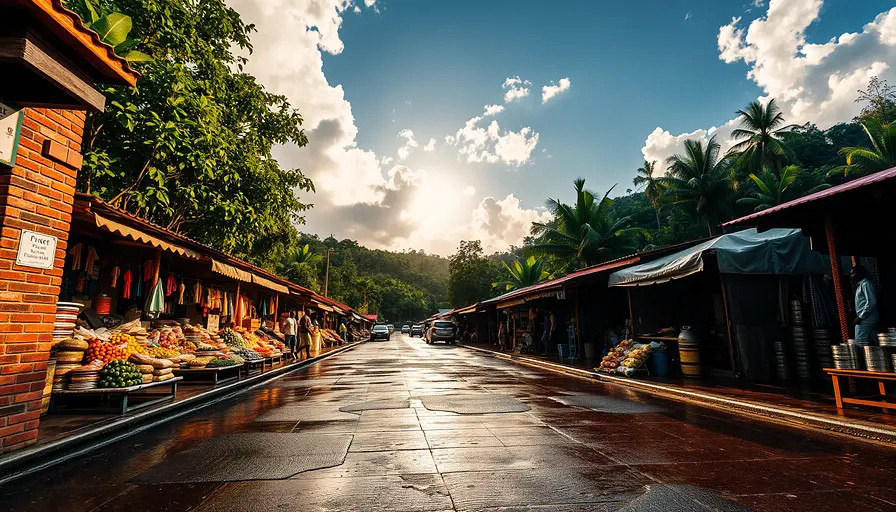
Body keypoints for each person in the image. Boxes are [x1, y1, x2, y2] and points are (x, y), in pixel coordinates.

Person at [851, 265, 879, 343]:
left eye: (853, 273)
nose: (851, 276)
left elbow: (871, 302)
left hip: (866, 317)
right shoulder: (861, 285)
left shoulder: (866, 284)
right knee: (873, 340)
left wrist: (860, 317)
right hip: (868, 317)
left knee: (860, 341)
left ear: (859, 274)